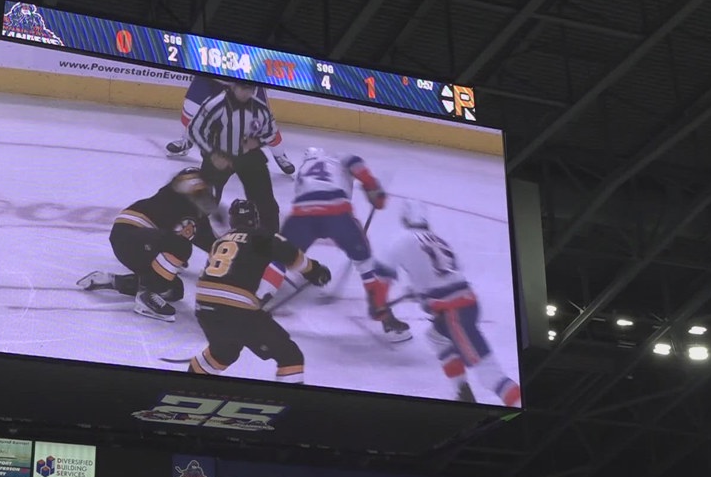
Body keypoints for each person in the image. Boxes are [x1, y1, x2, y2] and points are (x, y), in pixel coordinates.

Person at [376, 201, 521, 407]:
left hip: (455, 313)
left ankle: (520, 412)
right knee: (436, 337)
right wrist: (418, 292)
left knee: (489, 374)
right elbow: (445, 276)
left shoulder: (401, 239)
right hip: (465, 304)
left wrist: (379, 305)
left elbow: (382, 275)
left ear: (405, 219)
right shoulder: (438, 240)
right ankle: (463, 392)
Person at [260, 147, 410, 340]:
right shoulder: (337, 158)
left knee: (280, 257)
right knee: (364, 260)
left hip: (302, 214)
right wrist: (372, 187)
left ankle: (259, 299)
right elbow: (356, 163)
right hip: (336, 213)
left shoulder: (303, 169)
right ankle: (380, 308)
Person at [190, 199, 332, 384]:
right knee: (289, 355)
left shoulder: (221, 241)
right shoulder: (260, 236)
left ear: (232, 220)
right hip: (236, 309)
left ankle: (186, 386)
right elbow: (291, 255)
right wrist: (315, 271)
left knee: (224, 352)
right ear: (255, 219)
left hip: (204, 307)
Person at [76, 167, 218, 321]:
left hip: (141, 244)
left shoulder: (198, 218)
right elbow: (182, 181)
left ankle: (114, 281)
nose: (205, 197)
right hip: (129, 234)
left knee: (174, 289)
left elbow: (215, 246)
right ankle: (146, 296)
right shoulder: (173, 197)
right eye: (201, 192)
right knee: (180, 246)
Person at [184, 80, 285, 233]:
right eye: (243, 88)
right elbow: (194, 129)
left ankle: (272, 238)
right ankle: (195, 232)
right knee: (205, 200)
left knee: (266, 202)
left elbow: (271, 132)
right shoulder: (215, 105)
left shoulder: (261, 109)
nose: (246, 93)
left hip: (249, 158)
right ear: (233, 87)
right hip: (219, 156)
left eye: (250, 89)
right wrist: (211, 153)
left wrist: (258, 141)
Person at [166, 76, 295, 175]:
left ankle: (279, 154)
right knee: (191, 108)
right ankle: (187, 139)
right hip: (210, 73)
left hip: (243, 77)